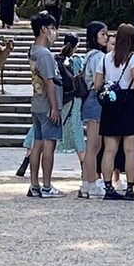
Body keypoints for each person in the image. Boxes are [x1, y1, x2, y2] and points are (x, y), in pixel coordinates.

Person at [99, 22, 134, 201]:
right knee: (130, 150)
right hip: (130, 102)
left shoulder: (106, 57)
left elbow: (98, 84)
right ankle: (130, 188)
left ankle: (108, 187)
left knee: (109, 149)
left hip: (111, 102)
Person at [27, 13, 63, 198]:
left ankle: (34, 184)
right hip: (48, 105)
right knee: (49, 145)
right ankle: (47, 185)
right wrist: (55, 107)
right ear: (44, 29)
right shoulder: (45, 54)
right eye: (52, 28)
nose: (54, 33)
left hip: (37, 102)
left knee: (37, 144)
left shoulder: (33, 51)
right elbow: (50, 82)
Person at [79, 20, 108, 198]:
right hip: (95, 98)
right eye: (102, 34)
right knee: (93, 147)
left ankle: (86, 183)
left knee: (92, 146)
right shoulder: (98, 56)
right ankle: (91, 183)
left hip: (89, 98)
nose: (106, 37)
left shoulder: (89, 55)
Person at [55, 32, 87, 174]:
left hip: (58, 98)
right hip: (75, 98)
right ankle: (83, 165)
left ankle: (26, 160)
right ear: (76, 46)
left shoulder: (56, 59)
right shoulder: (77, 60)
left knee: (43, 129)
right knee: (77, 129)